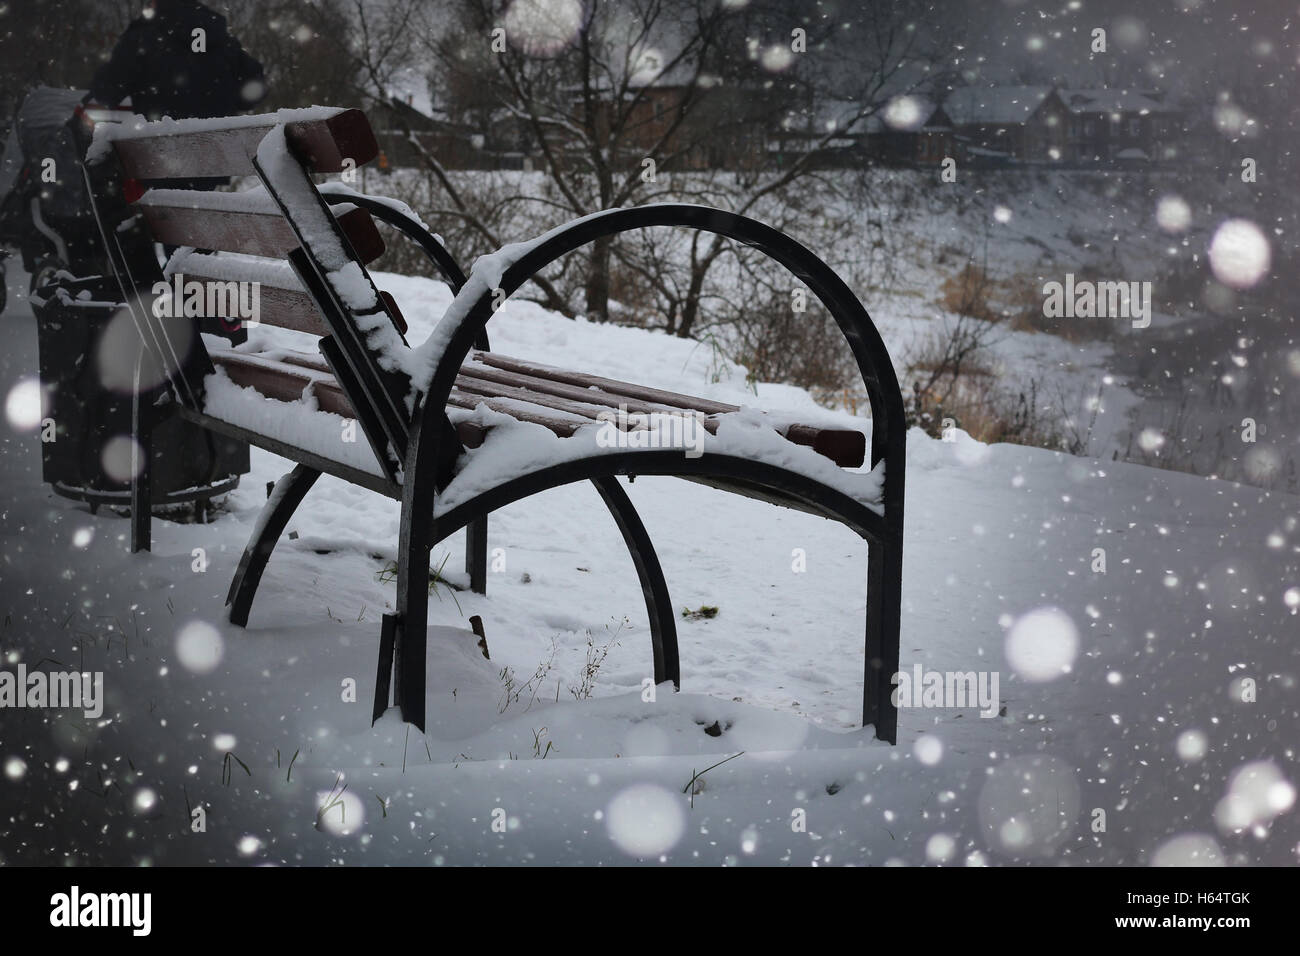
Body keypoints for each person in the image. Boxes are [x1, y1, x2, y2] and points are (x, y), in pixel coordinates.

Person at [87, 0, 267, 120]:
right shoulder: (223, 41)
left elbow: (107, 92)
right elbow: (254, 91)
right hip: (214, 167)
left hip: (154, 163)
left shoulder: (141, 38)